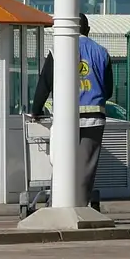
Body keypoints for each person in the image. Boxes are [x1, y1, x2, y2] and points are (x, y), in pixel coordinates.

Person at [30, 16, 114, 206]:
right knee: (86, 167)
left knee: (62, 164)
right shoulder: (102, 52)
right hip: (94, 117)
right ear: (88, 29)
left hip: (66, 118)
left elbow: (45, 84)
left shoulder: (58, 50)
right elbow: (108, 90)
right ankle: (81, 206)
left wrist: (36, 110)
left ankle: (57, 205)